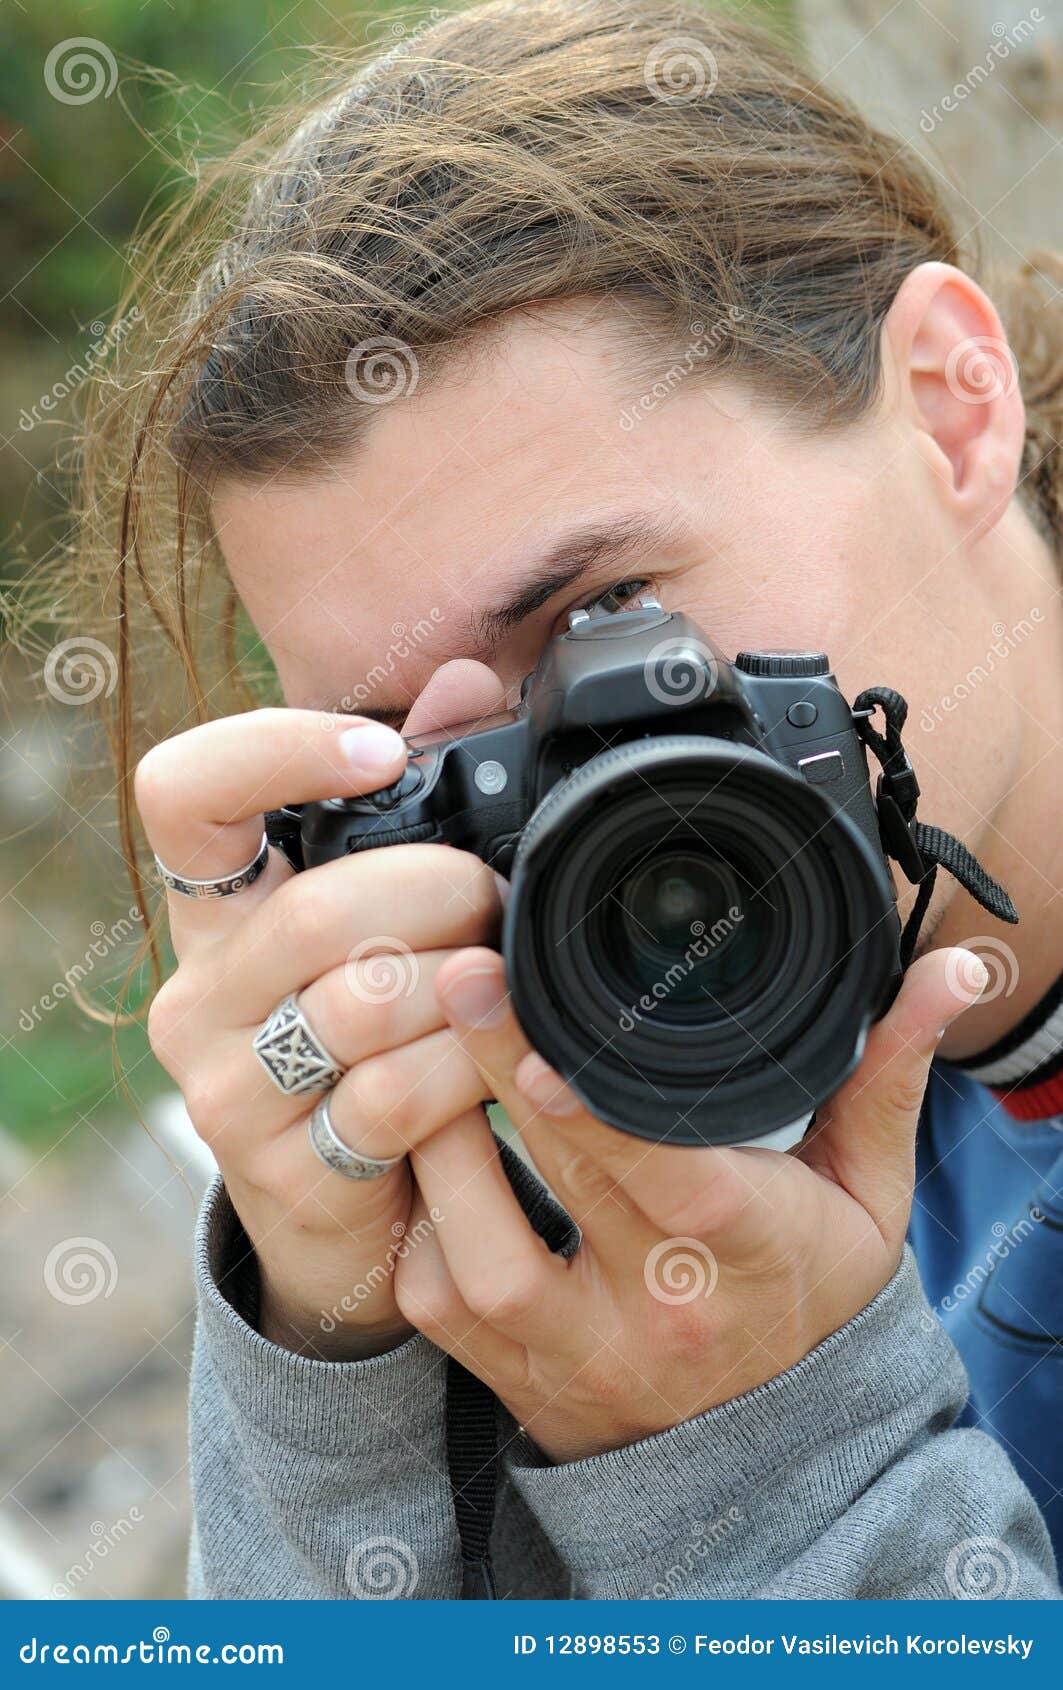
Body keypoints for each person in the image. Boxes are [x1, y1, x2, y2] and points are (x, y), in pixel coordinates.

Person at [76, 0, 1063, 1598]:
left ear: (953, 409)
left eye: (605, 619)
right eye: (400, 745)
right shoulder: (591, 1162)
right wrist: (335, 1352)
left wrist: (761, 1461)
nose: (551, 805)